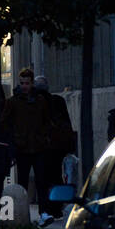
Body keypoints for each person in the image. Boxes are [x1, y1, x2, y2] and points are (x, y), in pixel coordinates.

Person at [0, 68, 53, 225]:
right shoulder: (13, 101)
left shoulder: (40, 100)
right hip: (22, 147)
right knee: (22, 181)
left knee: (41, 181)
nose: (24, 86)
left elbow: (47, 120)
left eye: (27, 83)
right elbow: (4, 122)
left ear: (32, 83)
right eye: (22, 83)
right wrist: (14, 139)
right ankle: (23, 214)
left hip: (38, 146)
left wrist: (45, 137)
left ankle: (43, 212)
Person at [37, 75, 74, 217]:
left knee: (45, 178)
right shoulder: (58, 101)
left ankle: (49, 207)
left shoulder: (38, 102)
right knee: (56, 176)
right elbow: (66, 124)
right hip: (56, 146)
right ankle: (56, 206)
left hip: (44, 145)